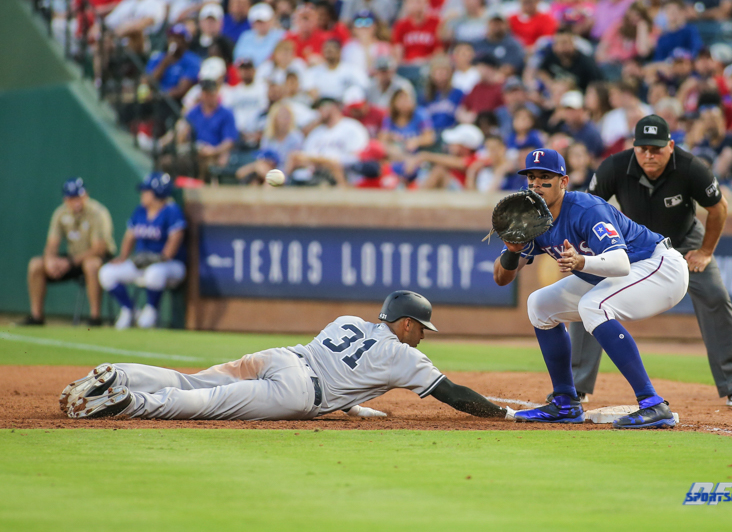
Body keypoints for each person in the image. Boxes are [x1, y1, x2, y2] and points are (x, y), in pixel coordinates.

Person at [61, 291, 518, 422]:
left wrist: (353, 406)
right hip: (299, 391)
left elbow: (340, 366)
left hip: (282, 357)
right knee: (208, 405)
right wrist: (500, 414)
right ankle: (125, 403)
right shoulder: (404, 357)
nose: (423, 335)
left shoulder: (347, 321)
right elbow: (455, 395)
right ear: (404, 323)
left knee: (194, 381)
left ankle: (119, 374)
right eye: (421, 326)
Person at [494, 147, 689, 428]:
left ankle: (653, 403)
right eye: (532, 178)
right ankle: (565, 402)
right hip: (614, 275)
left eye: (545, 177)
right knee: (539, 305)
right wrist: (512, 251)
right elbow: (502, 278)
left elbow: (621, 263)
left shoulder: (587, 209)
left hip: (659, 267)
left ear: (563, 182)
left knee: (593, 306)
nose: (536, 184)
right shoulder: (531, 218)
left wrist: (581, 261)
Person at [568, 115, 732, 407]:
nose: (649, 155)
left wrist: (705, 251)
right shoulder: (614, 167)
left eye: (656, 148)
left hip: (684, 241)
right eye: (643, 149)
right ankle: (577, 385)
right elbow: (587, 210)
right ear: (634, 147)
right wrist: (593, 255)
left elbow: (718, 208)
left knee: (716, 297)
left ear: (670, 145)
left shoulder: (691, 167)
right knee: (587, 291)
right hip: (633, 246)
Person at [23, 178, 116, 327]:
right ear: (65, 199)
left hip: (98, 258)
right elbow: (52, 244)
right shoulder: (60, 213)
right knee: (36, 265)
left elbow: (99, 249)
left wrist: (70, 262)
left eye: (79, 197)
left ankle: (95, 318)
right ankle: (37, 317)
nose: (77, 202)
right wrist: (50, 260)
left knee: (91, 265)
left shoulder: (98, 212)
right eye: (72, 198)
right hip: (72, 258)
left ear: (86, 195)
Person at [99, 172, 185, 330]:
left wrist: (160, 257)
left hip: (171, 265)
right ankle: (130, 309)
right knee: (107, 272)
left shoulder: (172, 210)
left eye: (146, 191)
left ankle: (151, 311)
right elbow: (129, 236)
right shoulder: (140, 210)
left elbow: (175, 240)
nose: (143, 194)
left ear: (157, 193)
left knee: (155, 272)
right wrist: (123, 257)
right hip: (142, 262)